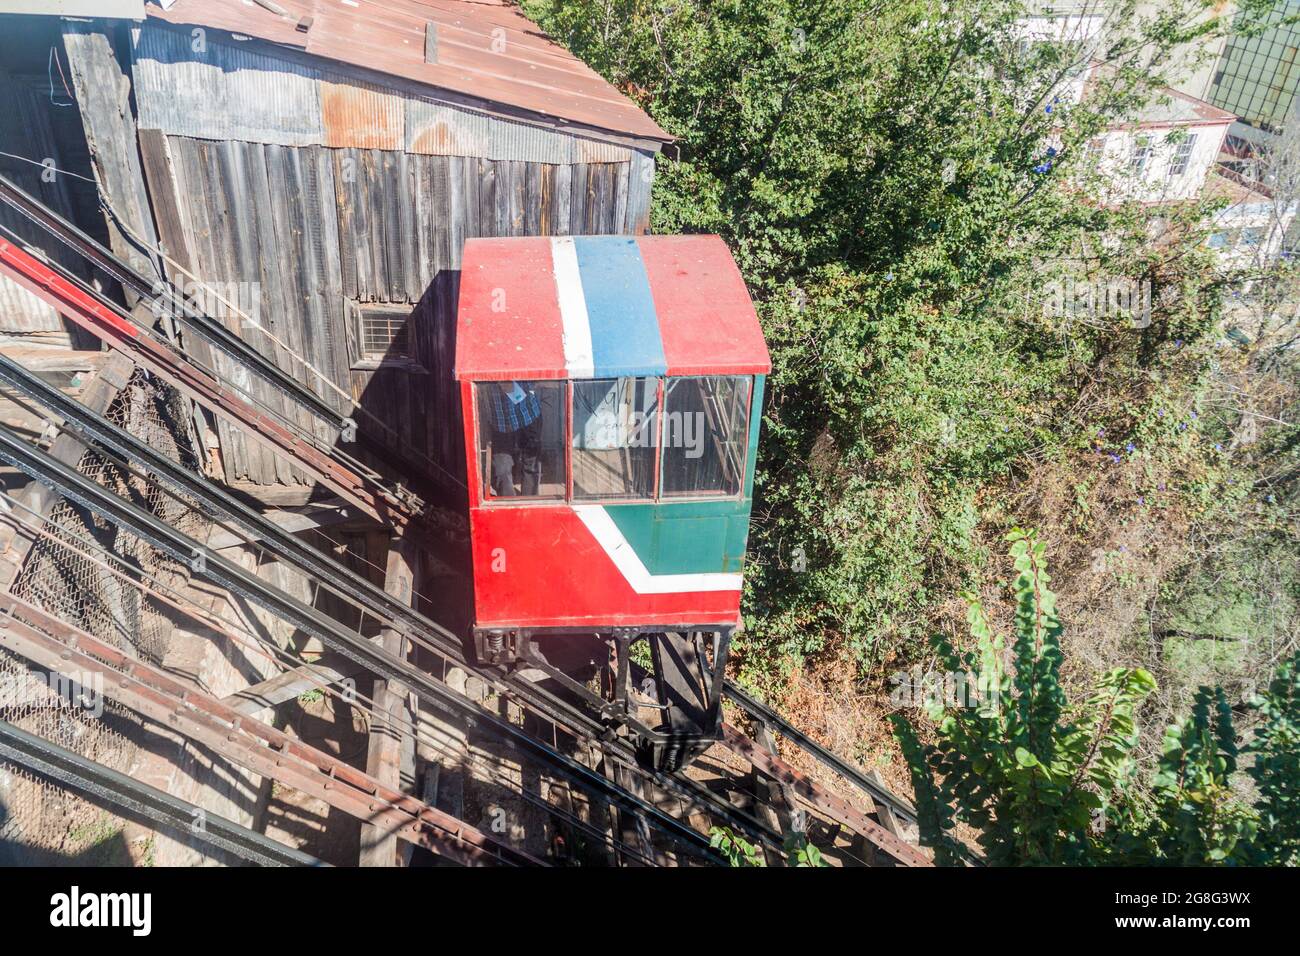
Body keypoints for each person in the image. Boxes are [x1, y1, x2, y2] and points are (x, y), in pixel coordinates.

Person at [487, 380, 543, 496]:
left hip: (528, 414)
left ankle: (529, 505)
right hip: (501, 422)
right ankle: (508, 507)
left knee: (531, 466)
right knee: (501, 470)